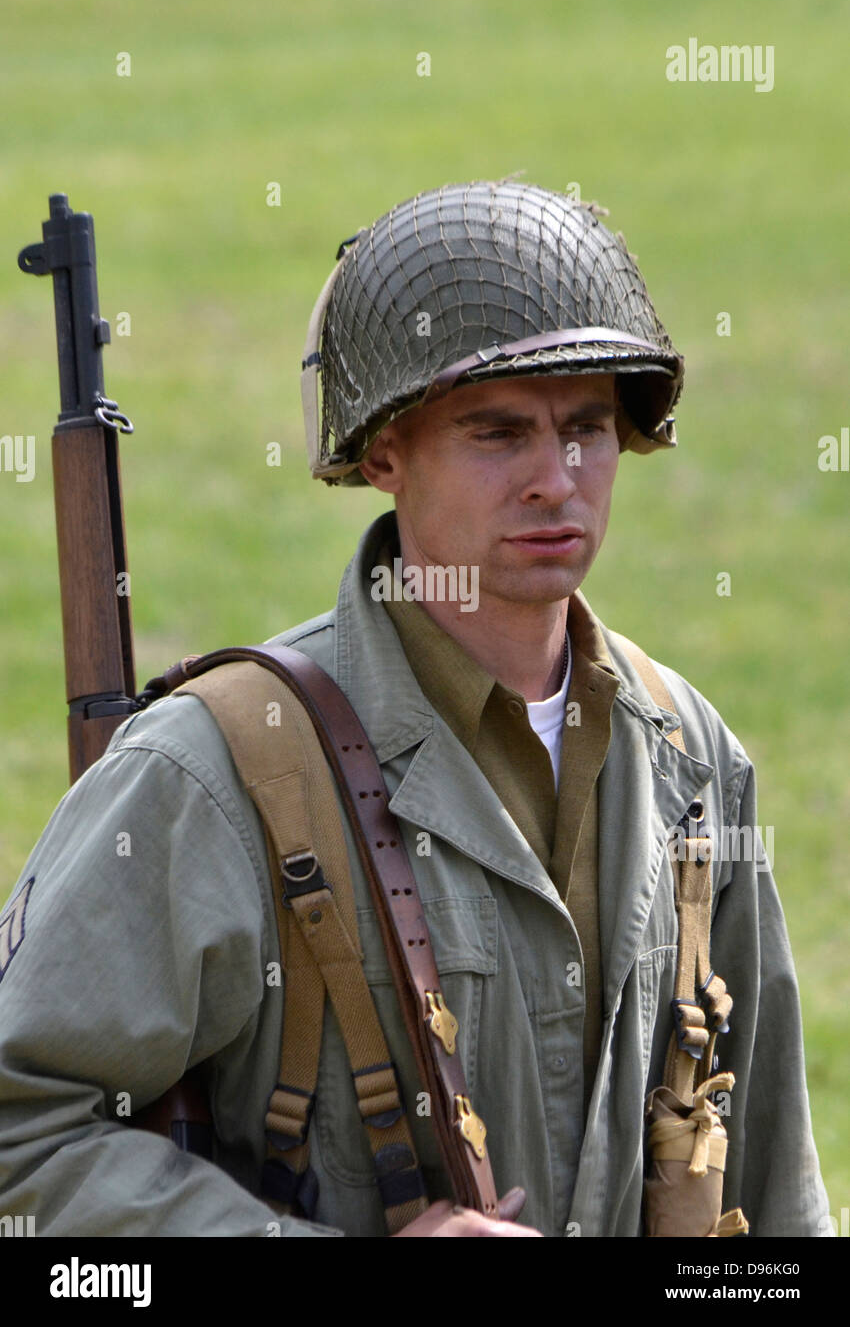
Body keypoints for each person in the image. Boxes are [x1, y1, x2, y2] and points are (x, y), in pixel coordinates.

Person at [0, 180, 830, 1237]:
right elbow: (22, 1138)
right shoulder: (221, 770)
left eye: (586, 427)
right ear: (383, 451)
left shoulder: (692, 757)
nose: (555, 479)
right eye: (497, 433)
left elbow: (769, 1189)